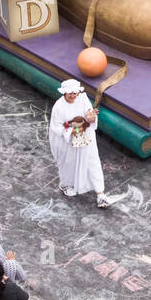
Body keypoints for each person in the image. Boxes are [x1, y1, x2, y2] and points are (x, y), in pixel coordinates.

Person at [48, 79, 115, 208]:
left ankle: (100, 194)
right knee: (69, 164)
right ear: (64, 93)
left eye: (75, 93)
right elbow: (56, 127)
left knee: (92, 162)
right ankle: (67, 184)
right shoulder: (59, 107)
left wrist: (91, 118)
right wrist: (72, 131)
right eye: (70, 93)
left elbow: (89, 116)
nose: (73, 96)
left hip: (86, 138)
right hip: (69, 142)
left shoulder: (83, 99)